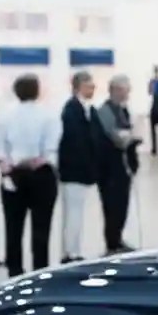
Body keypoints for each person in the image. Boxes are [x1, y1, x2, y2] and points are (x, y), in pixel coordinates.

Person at [0, 74, 61, 277]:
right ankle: (39, 271)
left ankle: (14, 271)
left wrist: (8, 166)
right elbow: (51, 148)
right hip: (41, 174)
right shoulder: (49, 115)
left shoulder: (5, 115)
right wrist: (38, 160)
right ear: (37, 90)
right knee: (41, 227)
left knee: (13, 226)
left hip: (13, 174)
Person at [58, 71, 102, 263]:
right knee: (72, 213)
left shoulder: (88, 110)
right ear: (78, 87)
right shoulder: (71, 110)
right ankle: (70, 252)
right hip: (73, 171)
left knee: (77, 212)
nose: (92, 89)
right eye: (89, 86)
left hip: (83, 171)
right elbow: (74, 141)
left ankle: (74, 249)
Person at [96, 75, 142, 255]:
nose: (128, 93)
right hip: (110, 169)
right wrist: (130, 136)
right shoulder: (105, 111)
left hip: (124, 168)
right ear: (115, 90)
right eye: (125, 89)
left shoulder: (122, 110)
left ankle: (118, 239)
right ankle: (112, 243)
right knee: (112, 206)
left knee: (122, 205)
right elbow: (116, 137)